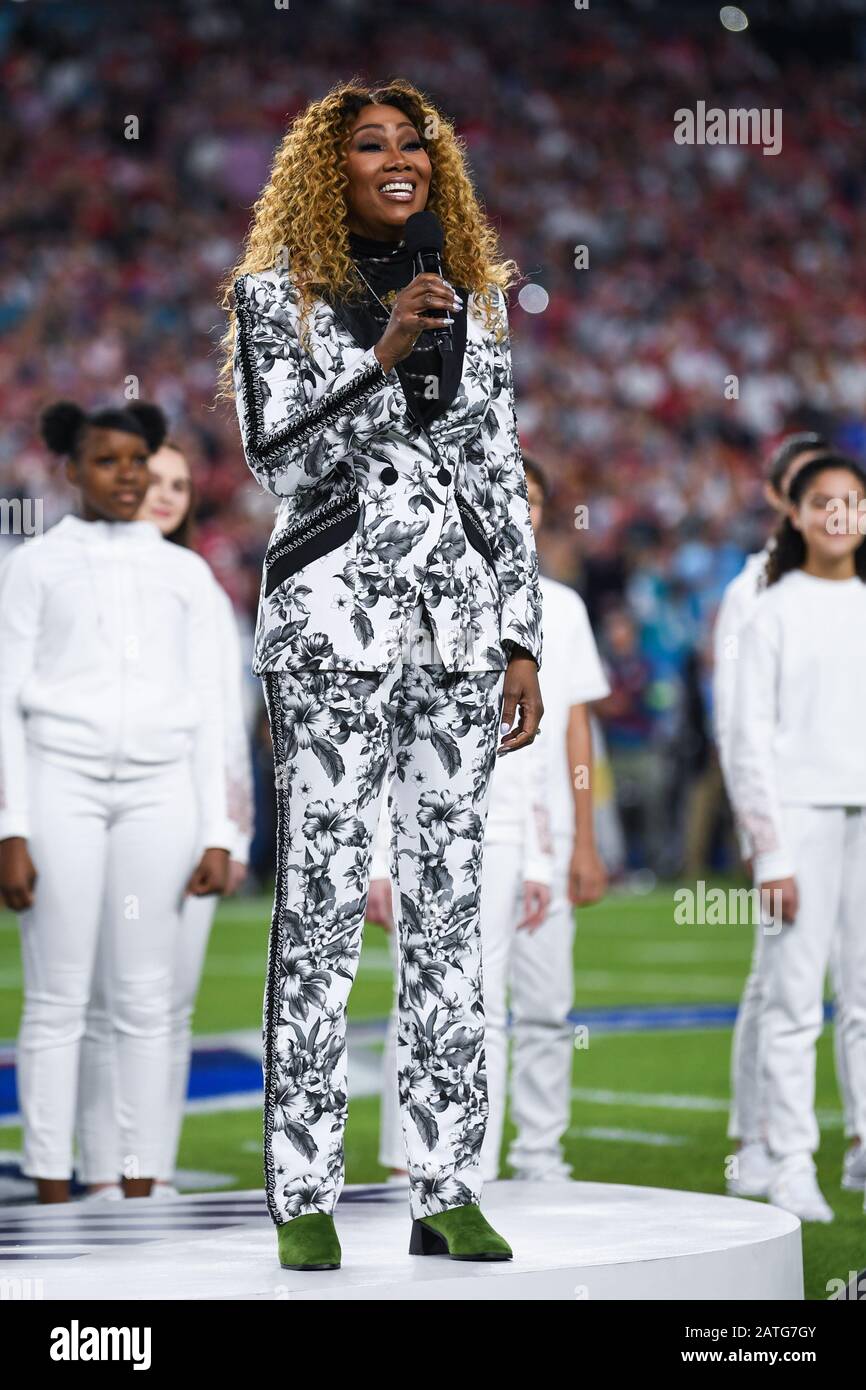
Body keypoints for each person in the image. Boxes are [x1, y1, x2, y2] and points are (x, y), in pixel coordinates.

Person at [218, 78, 544, 1271]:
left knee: (448, 911)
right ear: (328, 167)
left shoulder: (479, 302)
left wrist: (520, 636)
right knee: (319, 902)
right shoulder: (276, 297)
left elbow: (498, 471)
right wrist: (386, 352)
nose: (397, 157)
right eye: (370, 145)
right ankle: (304, 1188)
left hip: (456, 634)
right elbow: (273, 452)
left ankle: (444, 1180)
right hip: (330, 628)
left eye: (414, 142)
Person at [0, 401, 234, 1204]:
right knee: (59, 997)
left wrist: (219, 830)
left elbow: (212, 703)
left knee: (143, 999)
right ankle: (51, 1187)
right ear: (71, 470)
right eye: (108, 462)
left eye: (138, 461)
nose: (129, 476)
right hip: (58, 781)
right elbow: (3, 700)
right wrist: (11, 825)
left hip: (160, 793)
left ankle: (136, 1182)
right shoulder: (33, 565)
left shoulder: (186, 574)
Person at [371, 455, 608, 1185]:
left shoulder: (560, 607)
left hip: (534, 825)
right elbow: (386, 732)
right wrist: (380, 856)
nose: (520, 511)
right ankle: (408, 1162)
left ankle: (526, 1156)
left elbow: (568, 731)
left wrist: (575, 842)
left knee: (532, 1004)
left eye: (531, 500)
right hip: (440, 821)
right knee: (430, 992)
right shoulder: (416, 591)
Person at [74, 439, 255, 1199]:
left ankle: (153, 1166)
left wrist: (230, 830)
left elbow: (233, 717)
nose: (165, 492)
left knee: (170, 1005)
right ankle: (95, 1168)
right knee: (100, 1000)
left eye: (180, 483)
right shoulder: (78, 573)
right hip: (101, 809)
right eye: (152, 478)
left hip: (187, 820)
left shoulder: (202, 590)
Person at [712, 432, 861, 1201]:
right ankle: (788, 1159)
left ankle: (861, 1145)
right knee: (793, 996)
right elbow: (744, 733)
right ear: (795, 514)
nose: (840, 516)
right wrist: (766, 847)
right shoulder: (768, 604)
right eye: (824, 504)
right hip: (799, 814)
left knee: (864, 999)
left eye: (851, 504)